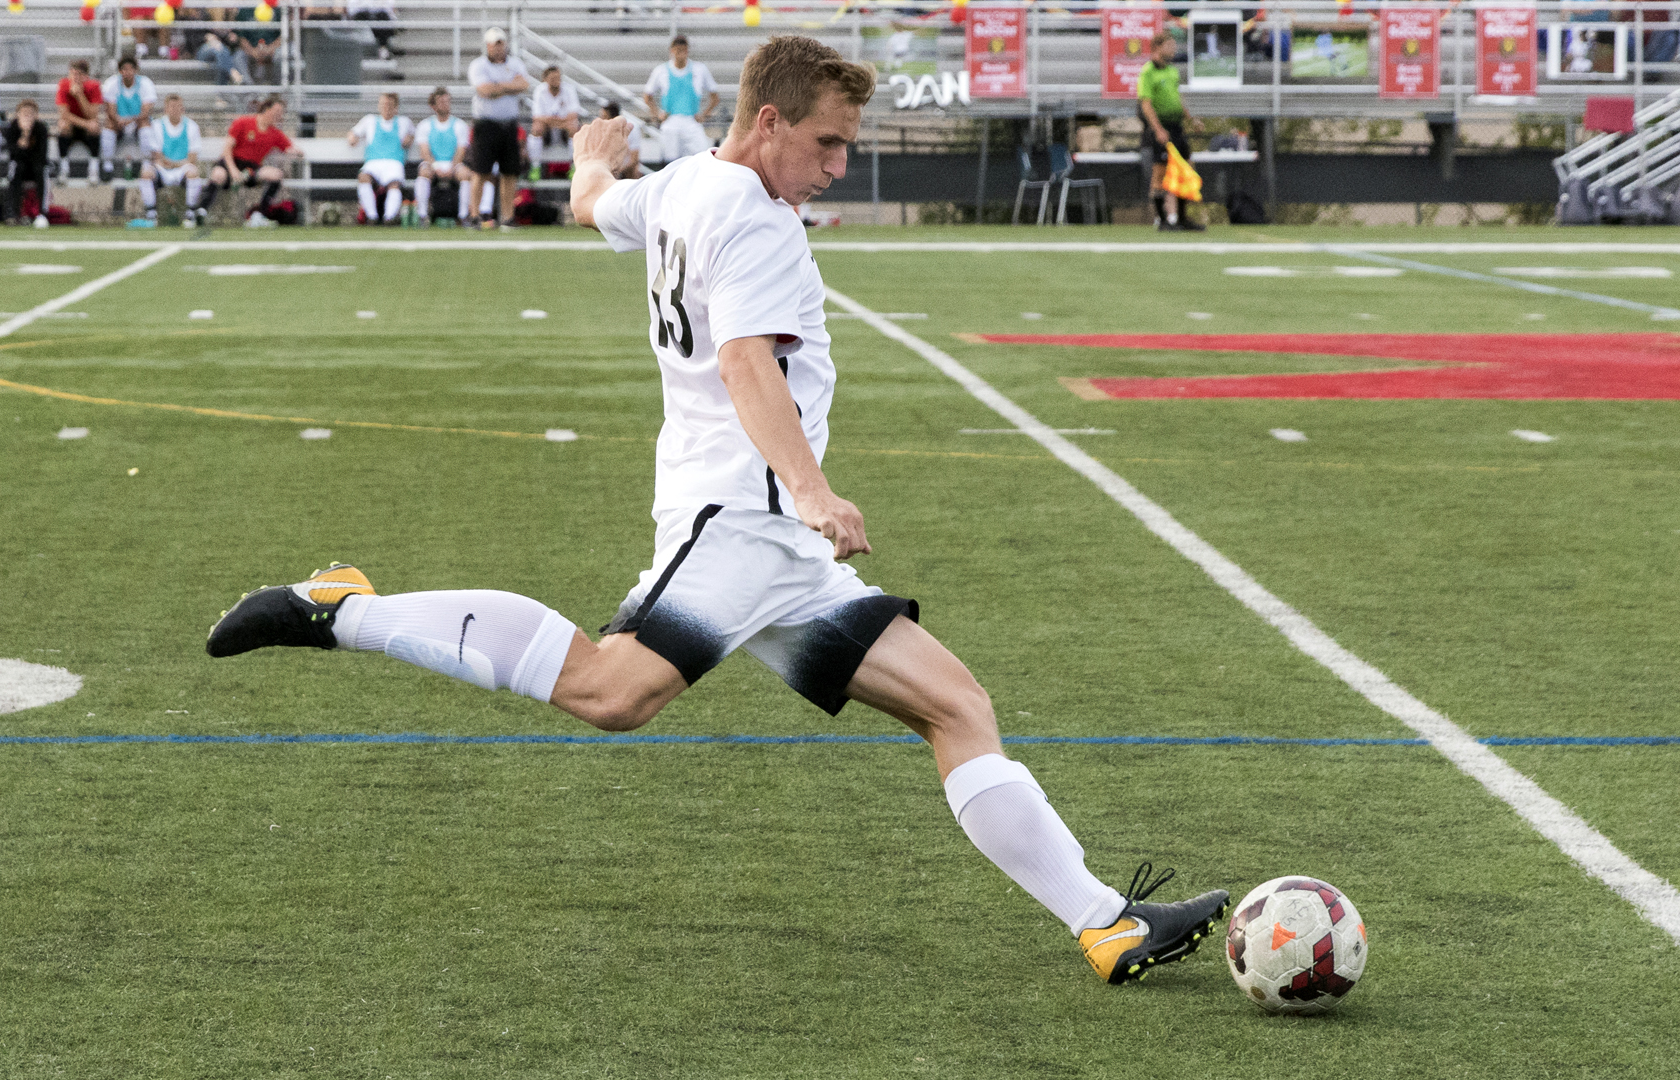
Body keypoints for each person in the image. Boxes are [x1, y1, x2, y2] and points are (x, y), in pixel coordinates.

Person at [204, 34, 1230, 987]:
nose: (836, 167)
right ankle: (344, 608)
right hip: (738, 522)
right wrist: (818, 491)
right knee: (612, 693)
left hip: (770, 542)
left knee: (957, 707)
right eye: (826, 144)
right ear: (771, 122)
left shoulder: (684, 184)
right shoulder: (755, 220)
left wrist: (592, 156)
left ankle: (1104, 922)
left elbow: (594, 202)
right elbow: (747, 365)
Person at [1138, 30, 1203, 232]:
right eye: (1170, 46)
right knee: (1160, 173)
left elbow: (1177, 99)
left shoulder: (1172, 71)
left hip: (1177, 127)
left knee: (1185, 169)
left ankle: (1182, 218)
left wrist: (1191, 119)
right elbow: (1146, 104)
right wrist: (1157, 129)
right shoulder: (1148, 72)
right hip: (1162, 128)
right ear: (1158, 47)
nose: (1173, 49)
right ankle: (1162, 220)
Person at [203, 94, 301, 227]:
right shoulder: (243, 122)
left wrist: (297, 152)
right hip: (231, 163)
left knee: (276, 175)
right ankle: (198, 213)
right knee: (217, 174)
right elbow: (227, 148)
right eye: (277, 111)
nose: (280, 115)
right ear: (267, 109)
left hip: (250, 169)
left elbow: (289, 147)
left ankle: (258, 216)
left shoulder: (275, 133)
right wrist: (233, 171)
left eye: (282, 112)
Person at [465, 25, 527, 228]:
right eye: (495, 44)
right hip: (486, 124)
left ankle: (507, 217)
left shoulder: (515, 63)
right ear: (488, 46)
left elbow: (523, 85)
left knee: (509, 172)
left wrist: (498, 86)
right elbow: (484, 90)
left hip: (509, 124)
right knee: (480, 171)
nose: (499, 48)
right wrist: (509, 85)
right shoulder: (478, 65)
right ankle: (474, 214)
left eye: (502, 44)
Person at [644, 34, 719, 160]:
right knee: (671, 162)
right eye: (678, 50)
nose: (681, 54)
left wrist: (704, 114)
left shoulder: (699, 69)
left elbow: (715, 96)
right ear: (671, 51)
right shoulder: (661, 70)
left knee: (702, 158)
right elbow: (647, 95)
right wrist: (657, 114)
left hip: (691, 122)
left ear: (687, 51)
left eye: (683, 50)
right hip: (670, 123)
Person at [138, 92, 203, 228]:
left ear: (182, 109)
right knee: (146, 173)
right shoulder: (156, 125)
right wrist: (169, 163)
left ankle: (190, 214)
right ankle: (151, 215)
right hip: (163, 169)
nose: (174, 110)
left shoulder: (192, 126)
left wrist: (175, 164)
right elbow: (157, 156)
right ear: (166, 109)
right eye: (171, 106)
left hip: (182, 168)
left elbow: (192, 158)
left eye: (178, 106)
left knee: (193, 173)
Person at [348, 90, 413, 225]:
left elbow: (413, 134)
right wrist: (352, 138)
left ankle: (389, 217)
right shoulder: (370, 120)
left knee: (394, 183)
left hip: (394, 162)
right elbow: (354, 133)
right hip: (373, 162)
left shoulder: (403, 122)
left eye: (389, 105)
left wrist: (409, 138)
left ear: (395, 107)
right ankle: (371, 216)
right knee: (363, 177)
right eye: (383, 104)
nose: (386, 108)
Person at [412, 86, 472, 224]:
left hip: (453, 164)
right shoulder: (425, 125)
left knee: (465, 175)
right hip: (433, 163)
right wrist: (435, 166)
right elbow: (424, 151)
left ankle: (463, 216)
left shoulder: (459, 125)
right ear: (433, 106)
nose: (445, 104)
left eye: (447, 101)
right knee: (424, 172)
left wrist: (452, 167)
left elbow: (461, 151)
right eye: (441, 102)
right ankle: (422, 215)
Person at [55, 59, 114, 184]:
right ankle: (64, 167)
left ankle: (94, 167)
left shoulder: (93, 86)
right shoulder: (63, 85)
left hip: (86, 126)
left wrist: (80, 95)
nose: (75, 78)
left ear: (85, 76)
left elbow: (92, 114)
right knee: (63, 125)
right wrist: (85, 123)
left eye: (78, 74)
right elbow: (64, 114)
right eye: (72, 74)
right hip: (75, 124)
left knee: (95, 126)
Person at [106, 55, 159, 176]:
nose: (128, 72)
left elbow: (146, 111)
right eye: (124, 69)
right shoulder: (112, 83)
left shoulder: (145, 83)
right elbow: (110, 109)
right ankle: (107, 163)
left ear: (136, 70)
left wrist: (131, 120)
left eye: (131, 69)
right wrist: (118, 120)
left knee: (146, 125)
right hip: (119, 123)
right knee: (108, 124)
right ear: (120, 71)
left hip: (137, 123)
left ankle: (146, 162)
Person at [0, 98, 50, 226]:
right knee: (16, 170)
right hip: (19, 164)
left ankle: (41, 213)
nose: (27, 116)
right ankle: (12, 214)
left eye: (31, 113)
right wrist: (24, 135)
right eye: (24, 113)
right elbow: (13, 154)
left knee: (41, 171)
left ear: (36, 115)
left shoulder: (41, 129)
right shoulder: (12, 128)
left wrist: (27, 140)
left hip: (35, 165)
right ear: (18, 114)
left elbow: (41, 155)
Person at [526, 65, 580, 180]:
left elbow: (574, 114)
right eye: (553, 78)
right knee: (536, 129)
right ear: (545, 79)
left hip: (562, 126)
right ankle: (535, 166)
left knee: (574, 128)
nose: (556, 81)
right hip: (548, 128)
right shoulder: (540, 91)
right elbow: (537, 116)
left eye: (558, 78)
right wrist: (557, 121)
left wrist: (555, 121)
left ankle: (574, 166)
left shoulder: (569, 89)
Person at [599, 101, 641, 179]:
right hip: (611, 167)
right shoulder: (603, 129)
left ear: (612, 117)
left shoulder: (631, 129)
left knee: (634, 171)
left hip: (626, 169)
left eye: (604, 116)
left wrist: (617, 171)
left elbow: (634, 159)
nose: (602, 119)